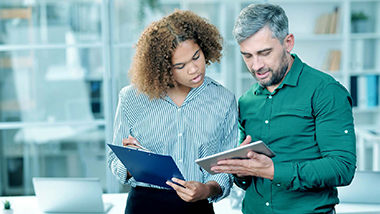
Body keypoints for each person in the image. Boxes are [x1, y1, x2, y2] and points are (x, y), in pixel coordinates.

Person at [211, 3, 356, 214]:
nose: (256, 65)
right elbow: (246, 182)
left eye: (265, 52)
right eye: (247, 55)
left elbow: (342, 168)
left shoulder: (325, 91)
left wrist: (274, 170)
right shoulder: (246, 101)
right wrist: (241, 171)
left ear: (288, 43)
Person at [107, 10, 238, 214]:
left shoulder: (224, 100)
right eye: (180, 66)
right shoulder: (131, 98)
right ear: (164, 68)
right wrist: (131, 164)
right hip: (143, 206)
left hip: (197, 207)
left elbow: (225, 169)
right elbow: (114, 161)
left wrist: (207, 189)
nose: (194, 69)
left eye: (197, 57)